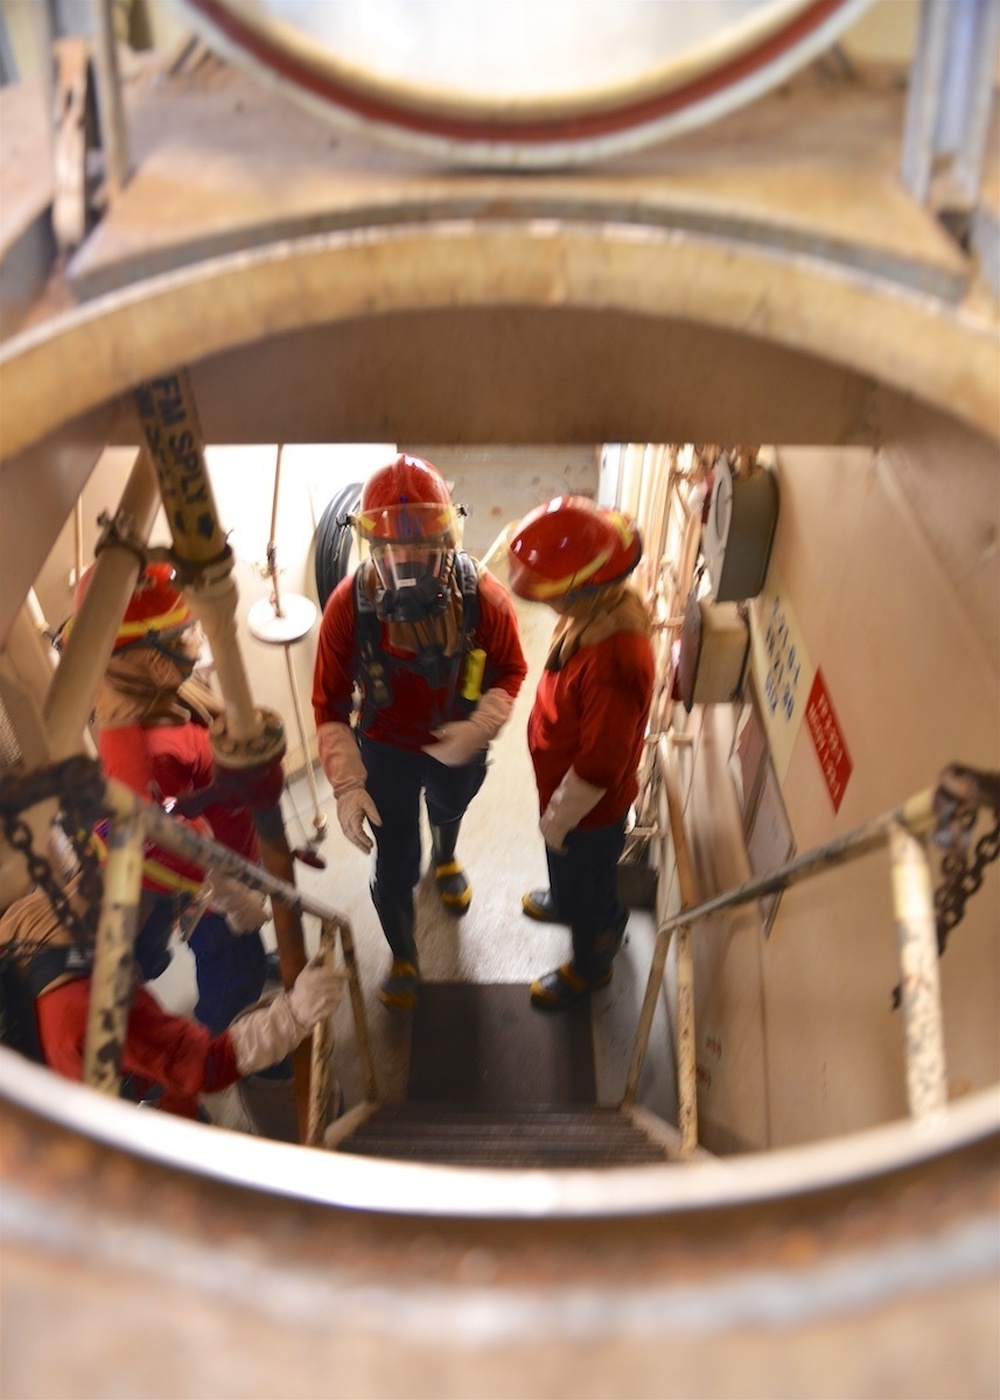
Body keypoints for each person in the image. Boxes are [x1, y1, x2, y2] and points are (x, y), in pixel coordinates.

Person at [312, 454, 527, 1010]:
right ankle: (404, 954)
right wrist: (347, 783)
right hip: (385, 747)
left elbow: (511, 668)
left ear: (448, 539)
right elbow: (329, 702)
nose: (406, 559)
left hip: (458, 737)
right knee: (393, 858)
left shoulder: (482, 596)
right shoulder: (348, 609)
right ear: (371, 547)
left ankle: (447, 858)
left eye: (423, 545)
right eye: (390, 548)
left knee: (452, 803)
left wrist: (480, 725)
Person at [66, 562, 272, 1034]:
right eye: (187, 634)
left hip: (215, 852)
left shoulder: (146, 687)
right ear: (150, 657)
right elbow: (161, 843)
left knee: (231, 950)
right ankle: (222, 1037)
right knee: (232, 966)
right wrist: (227, 892)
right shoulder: (142, 750)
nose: (196, 640)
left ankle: (248, 964)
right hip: (199, 880)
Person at [0, 885, 345, 1121]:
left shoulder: (36, 914)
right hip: (115, 1125)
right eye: (173, 918)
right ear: (144, 907)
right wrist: (294, 1013)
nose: (173, 931)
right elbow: (207, 1064)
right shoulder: (102, 1004)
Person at [506, 496, 655, 1010]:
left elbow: (599, 766)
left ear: (587, 589)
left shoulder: (616, 659)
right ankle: (567, 899)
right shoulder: (595, 610)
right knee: (568, 872)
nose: (550, 608)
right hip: (564, 796)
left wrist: (559, 819)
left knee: (592, 887)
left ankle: (592, 962)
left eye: (557, 598)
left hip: (587, 811)